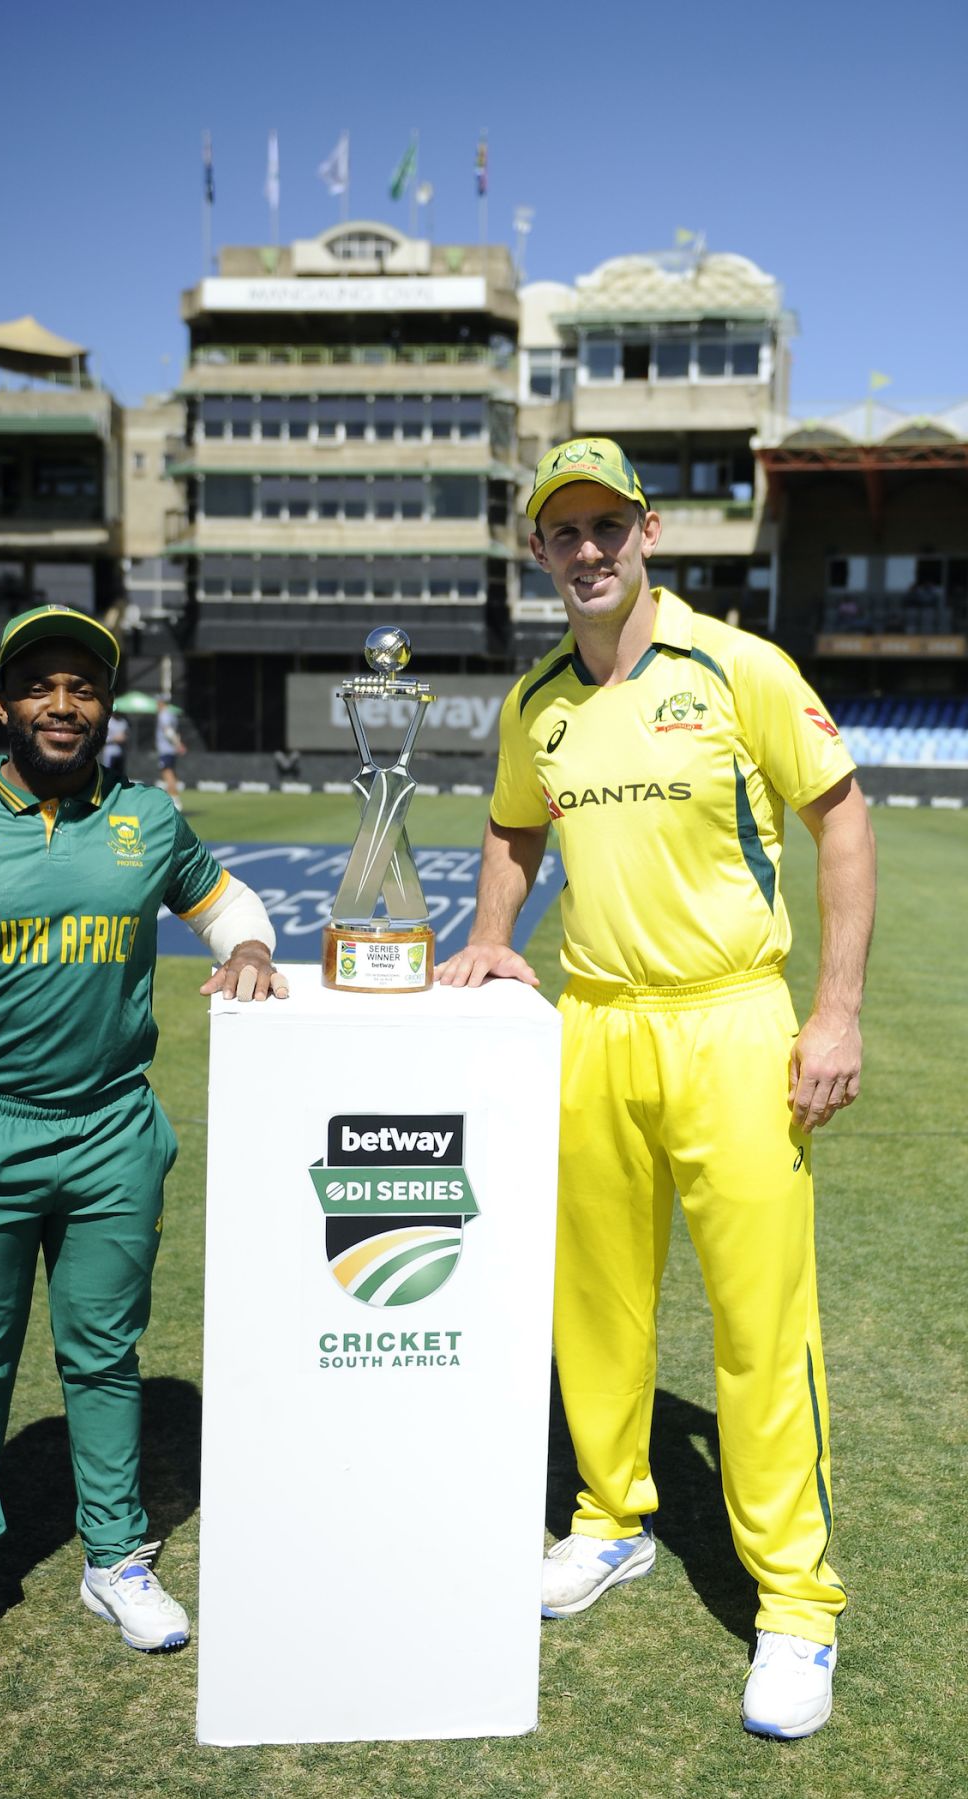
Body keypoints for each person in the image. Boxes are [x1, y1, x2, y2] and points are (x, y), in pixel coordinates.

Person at [436, 438, 876, 1740]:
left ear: (650, 531)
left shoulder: (737, 666)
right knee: (598, 1303)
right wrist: (489, 930)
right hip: (597, 1025)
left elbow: (840, 817)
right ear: (536, 549)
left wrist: (836, 1009)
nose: (586, 550)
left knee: (759, 1324)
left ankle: (797, 1602)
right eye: (561, 531)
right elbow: (516, 823)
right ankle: (611, 1516)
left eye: (606, 526)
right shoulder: (536, 705)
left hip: (734, 1021)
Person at [0, 603, 288, 1696]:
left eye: (85, 687)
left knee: (103, 1353)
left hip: (111, 1129)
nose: (65, 704)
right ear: (2, 703)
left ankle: (113, 1555)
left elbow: (232, 904)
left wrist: (244, 948)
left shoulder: (147, 813)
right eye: (41, 685)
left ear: (105, 706)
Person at [155, 699, 185, 805]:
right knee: (170, 775)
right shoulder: (171, 714)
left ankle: (175, 800)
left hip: (166, 749)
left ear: (161, 703)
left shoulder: (164, 714)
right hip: (170, 750)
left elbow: (168, 731)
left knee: (168, 775)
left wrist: (178, 744)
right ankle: (171, 800)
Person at [99, 709, 130, 781]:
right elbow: (102, 739)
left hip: (120, 753)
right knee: (108, 774)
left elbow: (127, 735)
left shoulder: (123, 722)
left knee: (120, 775)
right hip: (110, 753)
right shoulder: (108, 722)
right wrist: (114, 739)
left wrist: (124, 738)